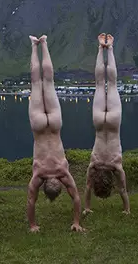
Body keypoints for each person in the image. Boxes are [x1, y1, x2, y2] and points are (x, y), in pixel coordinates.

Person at [26, 35, 85, 233]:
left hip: (55, 124)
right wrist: (32, 224)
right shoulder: (39, 174)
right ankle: (35, 45)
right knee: (37, 82)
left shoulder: (63, 172)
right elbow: (31, 200)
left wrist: (77, 221)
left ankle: (43, 43)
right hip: (39, 127)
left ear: (60, 183)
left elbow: (77, 198)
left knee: (48, 82)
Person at [83, 33, 130, 215]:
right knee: (100, 84)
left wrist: (127, 209)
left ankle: (109, 48)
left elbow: (123, 190)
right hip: (99, 123)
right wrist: (86, 207)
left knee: (111, 84)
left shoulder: (116, 166)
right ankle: (102, 48)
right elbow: (87, 188)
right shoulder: (93, 164)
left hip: (114, 123)